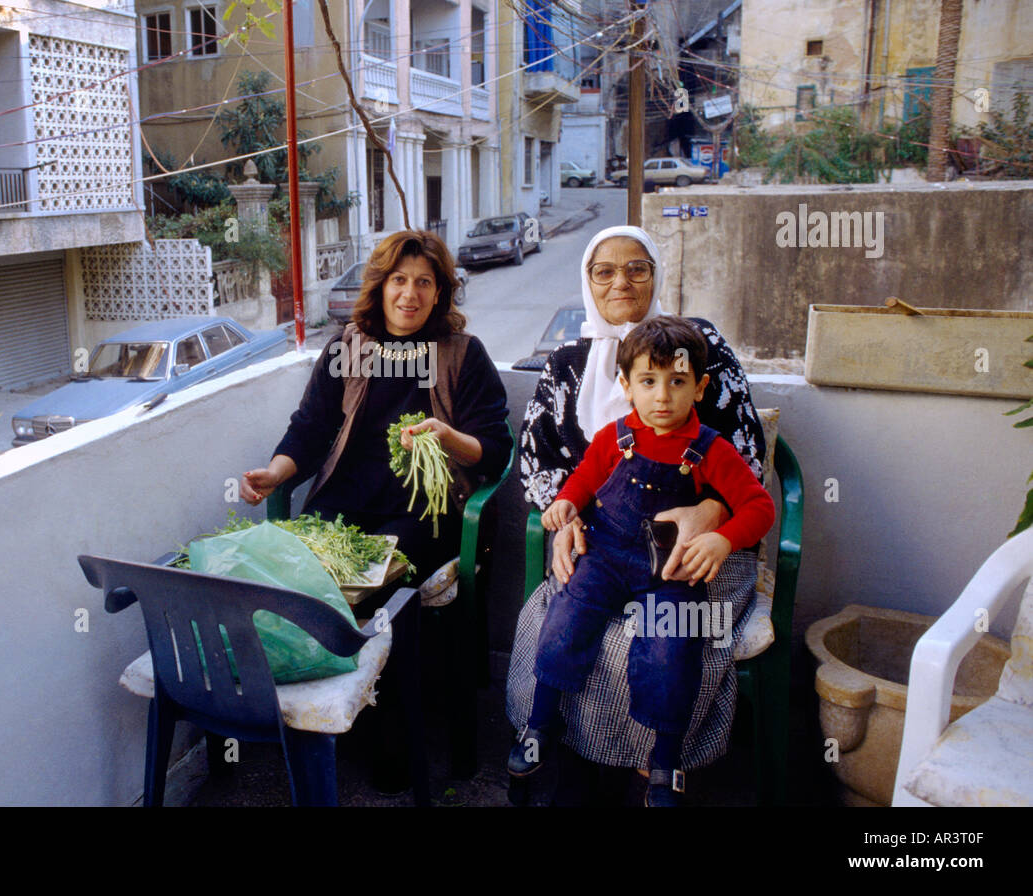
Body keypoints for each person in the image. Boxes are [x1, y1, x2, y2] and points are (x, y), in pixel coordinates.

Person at [510, 224, 768, 805]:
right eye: (604, 270)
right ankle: (564, 759)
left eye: (637, 268)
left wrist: (711, 514)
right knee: (560, 624)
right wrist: (565, 517)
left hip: (689, 552)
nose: (620, 281)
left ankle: (655, 768)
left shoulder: (696, 343)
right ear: (587, 280)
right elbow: (539, 459)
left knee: (672, 637)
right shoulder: (567, 361)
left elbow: (748, 455)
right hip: (601, 543)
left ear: (657, 275)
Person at [239, 230, 512, 579]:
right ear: (381, 286)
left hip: (425, 513)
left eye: (423, 282)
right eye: (399, 280)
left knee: (378, 578)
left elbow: (494, 450)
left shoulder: (463, 355)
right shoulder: (346, 348)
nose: (410, 294)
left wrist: (446, 438)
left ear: (438, 292)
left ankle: (381, 634)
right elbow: (310, 427)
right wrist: (274, 473)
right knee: (302, 569)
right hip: (345, 502)